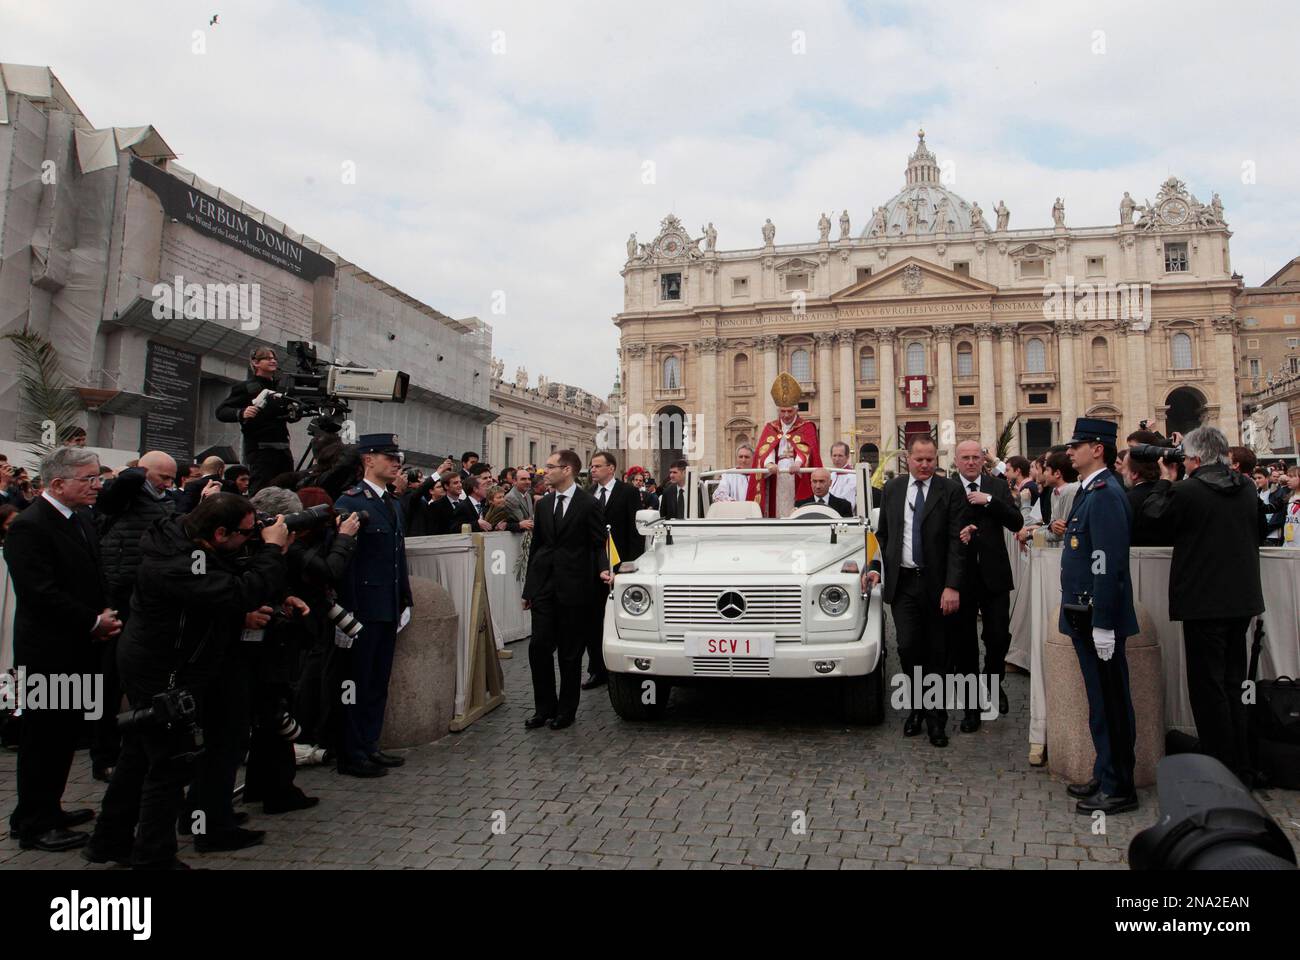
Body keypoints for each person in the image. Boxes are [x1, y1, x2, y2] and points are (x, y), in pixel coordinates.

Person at [85, 494, 289, 868]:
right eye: (245, 533)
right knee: (170, 764)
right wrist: (273, 550)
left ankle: (109, 842)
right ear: (219, 531)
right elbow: (238, 590)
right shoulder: (178, 561)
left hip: (163, 660)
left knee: (137, 757)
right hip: (163, 670)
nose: (251, 538)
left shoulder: (181, 538)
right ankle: (153, 857)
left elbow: (211, 593)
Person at [3, 448, 121, 852]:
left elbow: (91, 572)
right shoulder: (30, 526)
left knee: (65, 735)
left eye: (96, 477)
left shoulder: (81, 518)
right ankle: (35, 823)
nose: (96, 485)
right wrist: (92, 621)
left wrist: (103, 612)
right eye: (87, 479)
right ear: (57, 484)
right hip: (47, 654)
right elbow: (39, 593)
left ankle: (45, 809)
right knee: (43, 739)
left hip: (78, 647)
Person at [1139, 426, 1264, 781]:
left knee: (1208, 688)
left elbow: (1151, 518)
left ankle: (1218, 766)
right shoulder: (1247, 487)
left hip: (1202, 602)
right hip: (1241, 600)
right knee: (1234, 681)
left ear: (1192, 458)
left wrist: (1165, 479)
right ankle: (1240, 761)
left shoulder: (1188, 490)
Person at [862, 435, 965, 748]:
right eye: (920, 459)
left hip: (936, 584)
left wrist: (952, 586)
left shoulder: (950, 490)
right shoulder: (893, 489)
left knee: (936, 652)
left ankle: (936, 718)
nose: (925, 465)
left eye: (930, 459)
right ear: (907, 459)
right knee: (907, 647)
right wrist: (876, 568)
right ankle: (917, 706)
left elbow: (956, 543)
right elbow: (884, 535)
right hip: (903, 582)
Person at [1060, 418, 1139, 815]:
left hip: (1097, 616)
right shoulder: (1091, 491)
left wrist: (1105, 621)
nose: (1070, 450)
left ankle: (1119, 786)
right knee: (1099, 700)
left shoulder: (1105, 494)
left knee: (1110, 702)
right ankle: (1105, 770)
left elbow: (1108, 563)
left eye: (1079, 445)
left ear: (1098, 449)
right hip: (1085, 614)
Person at [91, 451, 180, 782]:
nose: (169, 485)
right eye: (163, 478)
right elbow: (113, 498)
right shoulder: (126, 494)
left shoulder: (166, 501)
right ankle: (104, 754)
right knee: (112, 678)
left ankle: (136, 748)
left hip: (152, 596)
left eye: (172, 479)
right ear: (145, 473)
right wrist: (135, 475)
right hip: (123, 595)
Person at [333, 434, 413, 777]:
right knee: (355, 682)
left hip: (387, 604)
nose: (396, 462)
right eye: (388, 456)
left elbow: (398, 557)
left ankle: (370, 743)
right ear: (368, 459)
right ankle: (351, 752)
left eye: (397, 456)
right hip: (361, 607)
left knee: (378, 681)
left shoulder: (391, 503)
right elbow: (344, 562)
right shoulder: (350, 502)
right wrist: (345, 610)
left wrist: (404, 598)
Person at [521, 450, 610, 730]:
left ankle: (565, 711)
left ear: (568, 469)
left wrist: (603, 569)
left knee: (570, 654)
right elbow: (537, 548)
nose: (544, 472)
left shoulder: (588, 504)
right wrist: (529, 589)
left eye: (550, 467)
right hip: (545, 586)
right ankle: (543, 707)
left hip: (576, 588)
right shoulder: (543, 505)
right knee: (538, 648)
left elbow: (599, 543)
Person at [952, 440, 1023, 727]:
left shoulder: (997, 486)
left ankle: (993, 681)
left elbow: (1017, 522)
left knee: (997, 637)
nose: (970, 462)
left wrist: (990, 502)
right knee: (965, 642)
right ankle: (971, 707)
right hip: (961, 576)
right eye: (965, 458)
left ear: (983, 460)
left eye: (975, 457)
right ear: (956, 461)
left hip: (994, 574)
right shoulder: (948, 489)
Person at [290, 486, 361, 763]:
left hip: (320, 618)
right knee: (309, 676)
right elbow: (330, 570)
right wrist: (344, 539)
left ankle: (319, 732)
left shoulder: (313, 540)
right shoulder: (295, 546)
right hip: (306, 623)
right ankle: (303, 735)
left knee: (323, 673)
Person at [583, 450, 643, 689]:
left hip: (619, 566)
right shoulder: (588, 494)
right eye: (591, 466)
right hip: (593, 567)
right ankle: (596, 669)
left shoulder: (627, 492)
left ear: (611, 468)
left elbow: (635, 531)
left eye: (597, 466)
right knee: (593, 619)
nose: (593, 470)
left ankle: (622, 666)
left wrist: (631, 565)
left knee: (620, 617)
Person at [216, 347, 296, 494]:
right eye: (267, 358)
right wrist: (241, 413)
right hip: (261, 450)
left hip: (283, 448)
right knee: (262, 490)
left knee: (287, 490)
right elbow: (221, 412)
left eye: (274, 358)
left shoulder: (282, 386)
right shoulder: (246, 387)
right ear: (255, 363)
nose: (272, 361)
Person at [747, 373, 822, 517]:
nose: (786, 415)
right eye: (783, 411)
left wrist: (799, 463)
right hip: (776, 473)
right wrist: (769, 464)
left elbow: (809, 449)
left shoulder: (807, 427)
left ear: (796, 410)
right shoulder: (770, 427)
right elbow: (765, 450)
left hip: (798, 473)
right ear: (778, 410)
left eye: (790, 411)